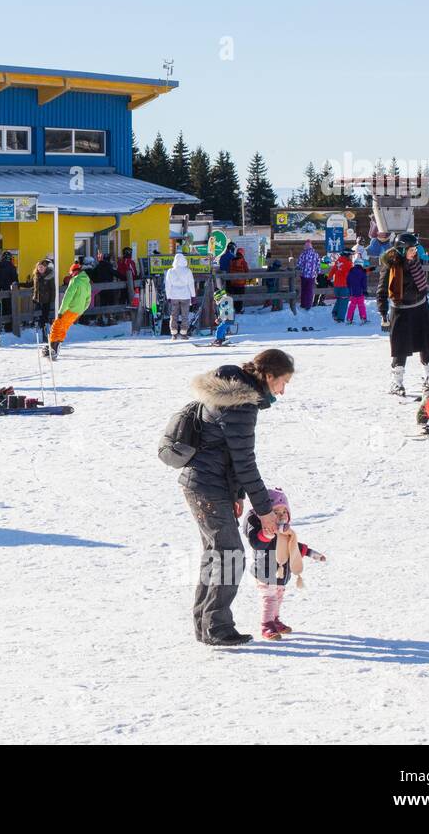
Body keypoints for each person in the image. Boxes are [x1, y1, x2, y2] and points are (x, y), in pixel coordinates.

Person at [179, 349, 295, 647]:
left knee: (217, 554)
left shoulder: (233, 394)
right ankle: (217, 627)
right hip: (207, 486)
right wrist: (265, 510)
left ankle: (205, 625)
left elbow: (228, 453)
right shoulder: (242, 403)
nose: (283, 390)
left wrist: (235, 494)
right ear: (268, 376)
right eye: (283, 382)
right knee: (231, 555)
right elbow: (245, 461)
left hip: (206, 484)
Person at [245, 487, 325, 640]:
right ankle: (266, 625)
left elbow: (294, 547)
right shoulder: (265, 531)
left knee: (278, 596)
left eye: (284, 512)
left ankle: (275, 620)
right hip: (266, 572)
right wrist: (268, 533)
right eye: (276, 512)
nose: (281, 516)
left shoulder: (287, 535)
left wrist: (313, 554)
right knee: (269, 598)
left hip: (281, 574)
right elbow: (258, 543)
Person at [376, 233, 429, 397]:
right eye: (412, 249)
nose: (415, 252)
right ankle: (396, 382)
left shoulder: (415, 261)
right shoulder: (391, 265)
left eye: (415, 248)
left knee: (426, 343)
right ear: (403, 250)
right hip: (401, 311)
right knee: (400, 348)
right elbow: (382, 290)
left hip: (420, 307)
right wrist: (383, 313)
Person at [47, 261, 91, 359]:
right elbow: (88, 300)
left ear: (75, 272)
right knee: (64, 328)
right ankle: (56, 347)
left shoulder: (75, 281)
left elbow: (68, 297)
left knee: (56, 326)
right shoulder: (87, 282)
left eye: (71, 273)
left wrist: (61, 311)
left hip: (70, 309)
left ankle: (52, 349)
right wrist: (81, 311)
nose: (70, 275)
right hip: (77, 310)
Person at [163, 252, 196, 340]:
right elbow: (191, 284)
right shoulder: (188, 271)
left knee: (174, 315)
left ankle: (174, 333)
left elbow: (168, 285)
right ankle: (184, 333)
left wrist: (168, 296)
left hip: (174, 296)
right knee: (185, 315)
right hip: (185, 296)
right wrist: (193, 296)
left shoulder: (170, 271)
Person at [31, 259, 56, 343]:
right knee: (38, 318)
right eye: (39, 267)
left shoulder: (49, 276)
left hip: (46, 300)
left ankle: (45, 336)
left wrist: (52, 299)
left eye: (42, 267)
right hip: (37, 300)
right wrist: (19, 284)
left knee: (44, 319)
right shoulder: (36, 276)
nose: (40, 269)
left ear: (45, 268)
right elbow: (31, 285)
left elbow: (53, 289)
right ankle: (40, 333)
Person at [326, 250, 352, 323]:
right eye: (350, 255)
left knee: (339, 299)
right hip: (344, 286)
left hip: (337, 285)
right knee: (344, 302)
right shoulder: (348, 263)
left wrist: (329, 279)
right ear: (347, 255)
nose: (351, 256)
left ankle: (335, 313)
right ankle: (340, 318)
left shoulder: (338, 261)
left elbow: (332, 270)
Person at [0, 251, 20, 320]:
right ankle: (8, 326)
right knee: (8, 307)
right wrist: (18, 288)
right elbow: (15, 280)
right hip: (9, 290)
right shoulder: (12, 267)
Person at [345, 253, 369, 324]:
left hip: (352, 292)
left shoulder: (350, 272)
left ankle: (349, 319)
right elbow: (364, 282)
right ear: (361, 264)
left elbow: (348, 281)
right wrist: (365, 290)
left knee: (352, 306)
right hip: (360, 292)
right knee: (361, 306)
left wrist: (349, 289)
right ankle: (363, 318)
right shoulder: (362, 272)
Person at [296, 240, 320, 310]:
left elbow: (299, 264)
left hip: (303, 275)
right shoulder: (316, 254)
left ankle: (303, 304)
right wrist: (318, 271)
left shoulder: (303, 254)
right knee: (309, 290)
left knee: (303, 289)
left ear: (305, 246)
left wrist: (298, 268)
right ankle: (308, 305)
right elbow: (318, 264)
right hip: (311, 275)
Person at [228, 248, 250, 315]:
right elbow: (247, 271)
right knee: (240, 297)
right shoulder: (243, 262)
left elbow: (229, 270)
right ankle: (239, 310)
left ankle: (234, 309)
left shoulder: (231, 261)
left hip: (233, 282)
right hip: (241, 283)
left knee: (234, 296)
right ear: (242, 254)